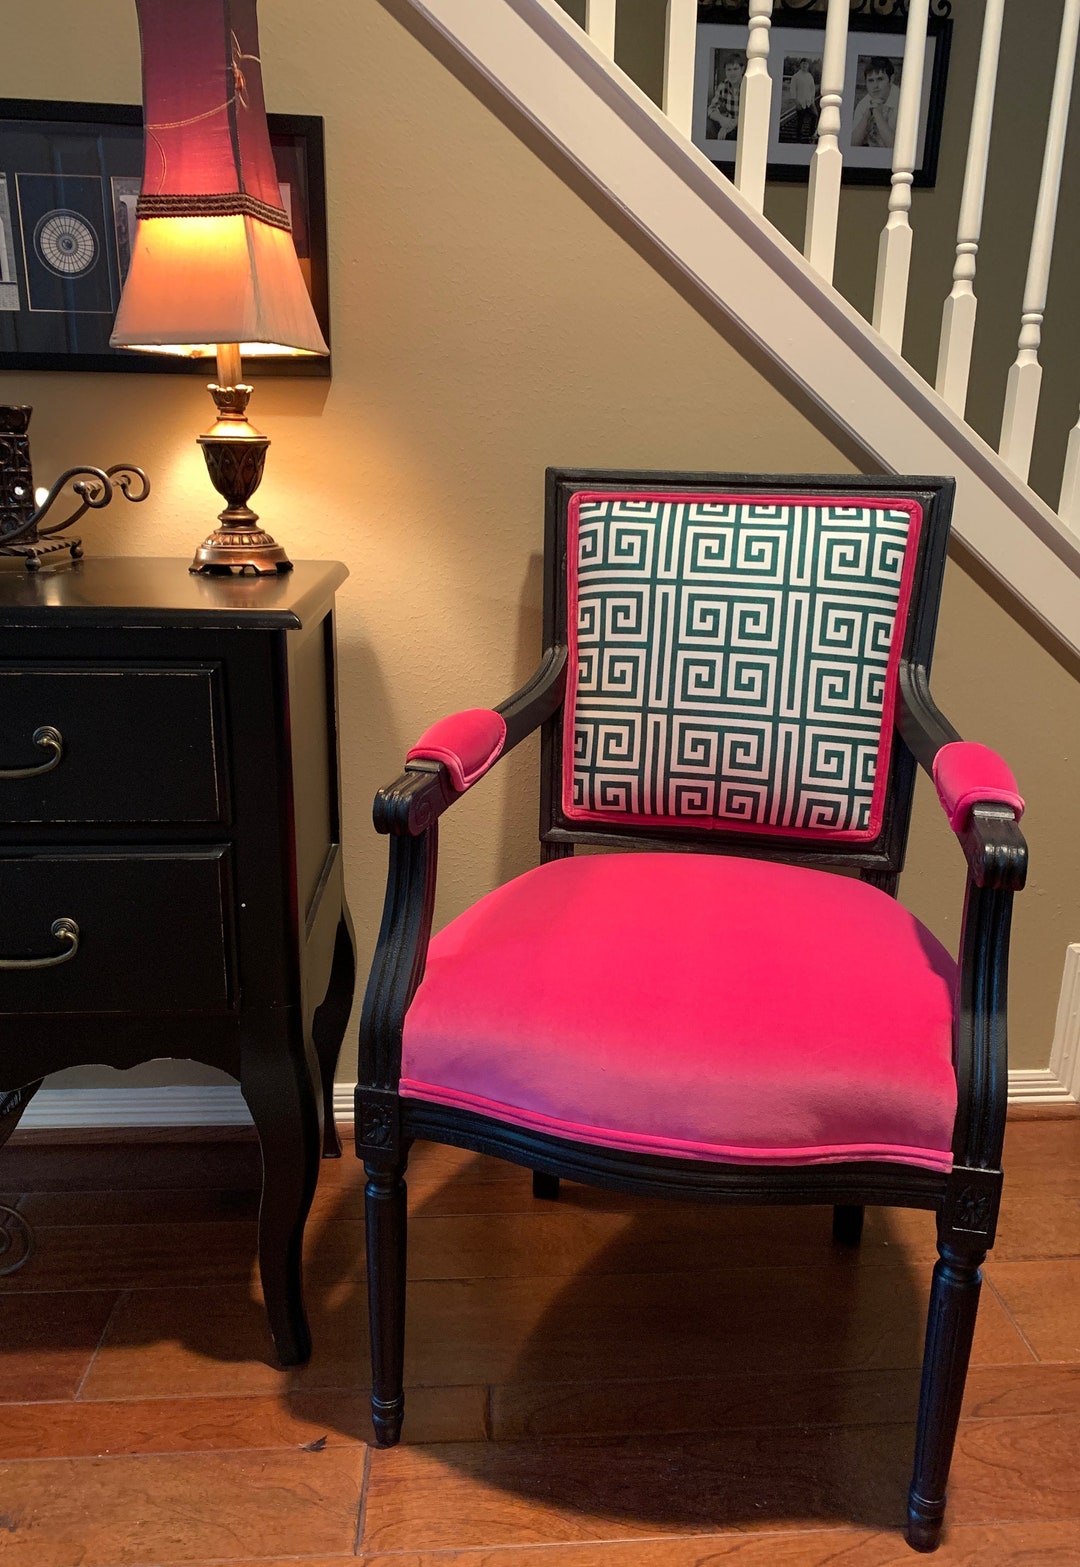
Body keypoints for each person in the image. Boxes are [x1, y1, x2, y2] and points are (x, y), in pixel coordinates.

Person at [851, 56, 900, 148]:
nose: (875, 86)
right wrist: (865, 118)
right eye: (871, 80)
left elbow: (898, 148)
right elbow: (853, 144)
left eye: (880, 79)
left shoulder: (903, 102)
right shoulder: (864, 104)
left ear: (891, 79)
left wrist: (877, 115)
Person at [707, 54, 744, 141]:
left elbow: (753, 113)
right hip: (728, 122)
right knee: (708, 125)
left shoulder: (749, 85)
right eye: (729, 69)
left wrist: (732, 124)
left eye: (735, 69)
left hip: (745, 125)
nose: (732, 73)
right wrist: (722, 120)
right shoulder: (723, 86)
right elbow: (711, 109)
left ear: (742, 69)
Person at [790, 58, 818, 143]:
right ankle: (799, 137)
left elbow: (812, 89)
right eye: (803, 64)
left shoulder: (810, 76)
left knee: (815, 115)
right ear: (800, 65)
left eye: (806, 64)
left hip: (809, 102)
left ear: (808, 65)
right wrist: (796, 102)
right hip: (800, 102)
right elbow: (792, 90)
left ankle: (811, 134)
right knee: (800, 121)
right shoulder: (796, 77)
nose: (804, 66)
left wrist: (812, 99)